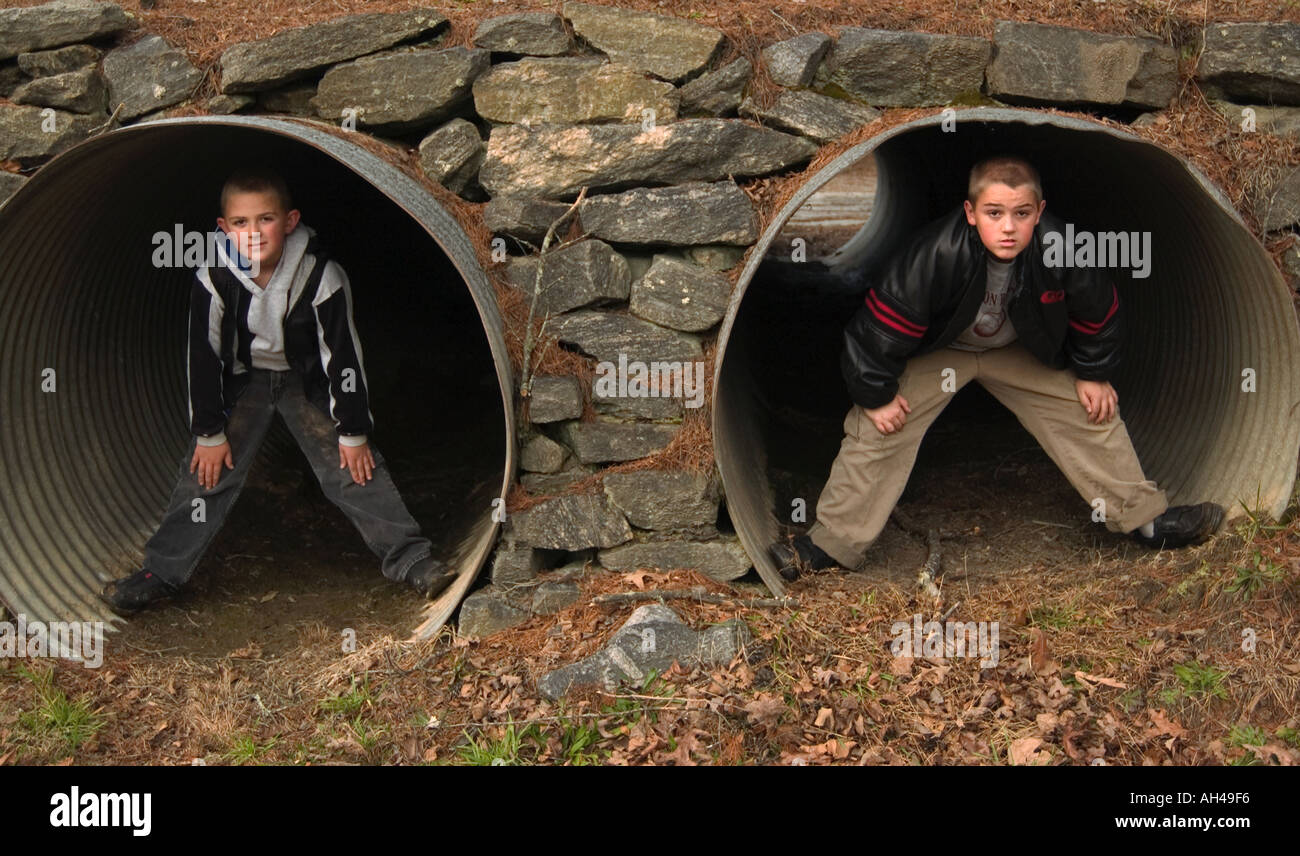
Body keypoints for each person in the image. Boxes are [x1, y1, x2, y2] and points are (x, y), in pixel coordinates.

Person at [771, 155, 1224, 580]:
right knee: (882, 424)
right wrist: (876, 395)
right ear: (970, 212)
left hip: (1017, 350)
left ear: (1039, 211)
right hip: (945, 351)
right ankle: (829, 545)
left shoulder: (1063, 247)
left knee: (1088, 409)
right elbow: (875, 331)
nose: (1008, 227)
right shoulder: (934, 253)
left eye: (1022, 214)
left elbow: (1100, 310)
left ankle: (1145, 521)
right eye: (993, 213)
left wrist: (1093, 372)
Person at [100, 167, 456, 612]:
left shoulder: (322, 277)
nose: (254, 232)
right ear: (223, 229)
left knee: (350, 466)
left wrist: (352, 431)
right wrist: (210, 434)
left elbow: (343, 359)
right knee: (207, 471)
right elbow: (204, 359)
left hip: (304, 379)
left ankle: (412, 560)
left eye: (265, 219)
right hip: (244, 380)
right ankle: (162, 571)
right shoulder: (213, 276)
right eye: (241, 223)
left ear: (289, 221)